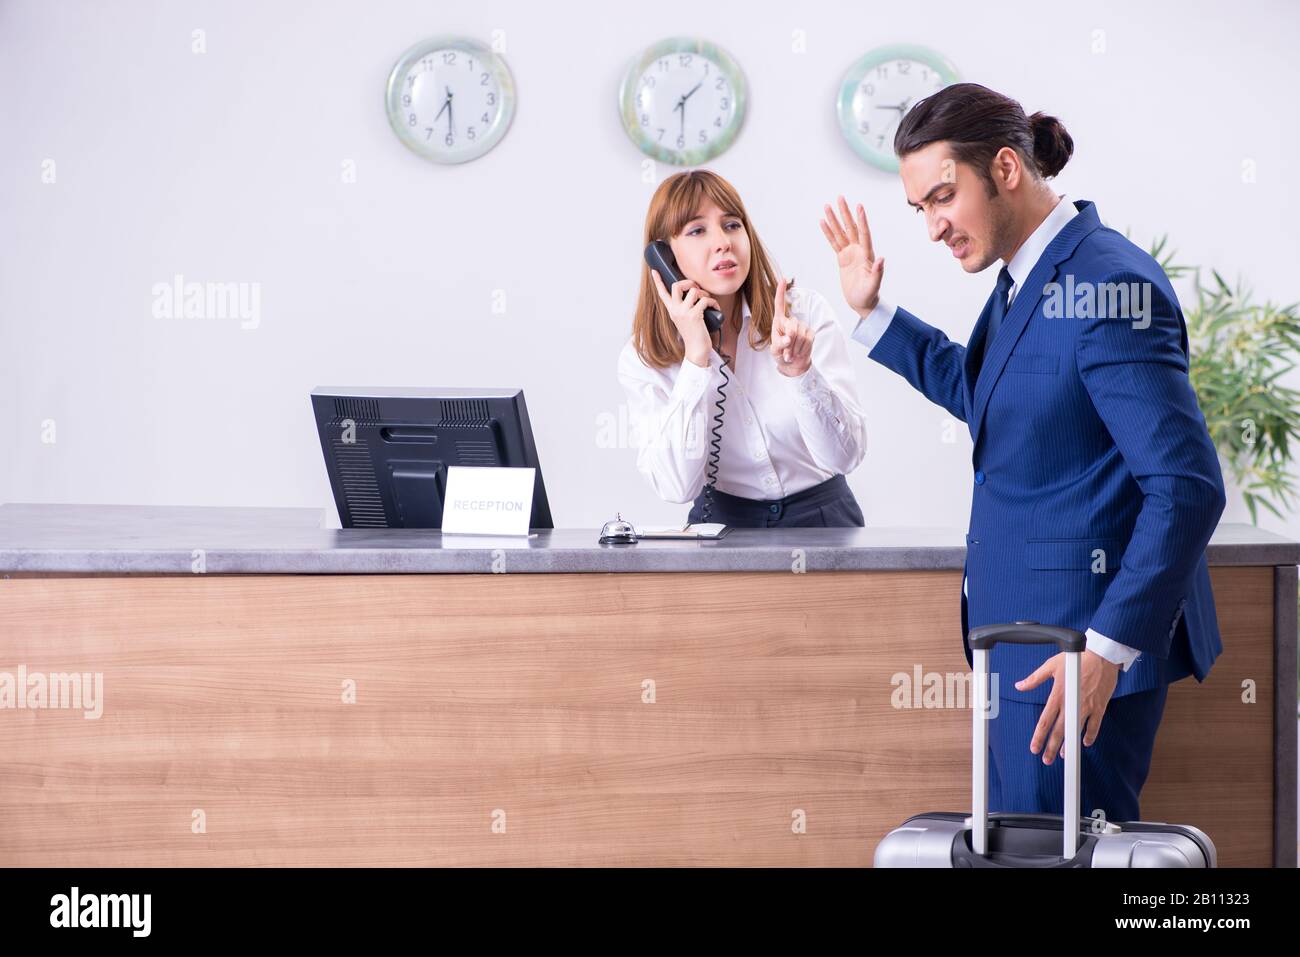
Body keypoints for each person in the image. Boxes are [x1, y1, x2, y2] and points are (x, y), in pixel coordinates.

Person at [821, 83, 1226, 823]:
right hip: (1023, 641)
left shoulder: (1107, 285)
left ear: (1006, 167)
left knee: (1060, 852)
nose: (934, 227)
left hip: (1074, 649)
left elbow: (1187, 486)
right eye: (921, 210)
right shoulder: (1025, 277)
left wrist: (1105, 650)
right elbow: (994, 399)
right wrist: (873, 314)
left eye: (943, 197)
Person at [618, 169, 868, 528]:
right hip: (722, 525)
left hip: (825, 520)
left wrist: (801, 373)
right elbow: (675, 486)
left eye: (732, 225)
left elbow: (845, 457)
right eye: (697, 230)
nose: (723, 242)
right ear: (664, 259)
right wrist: (695, 359)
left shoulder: (805, 312)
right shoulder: (643, 357)